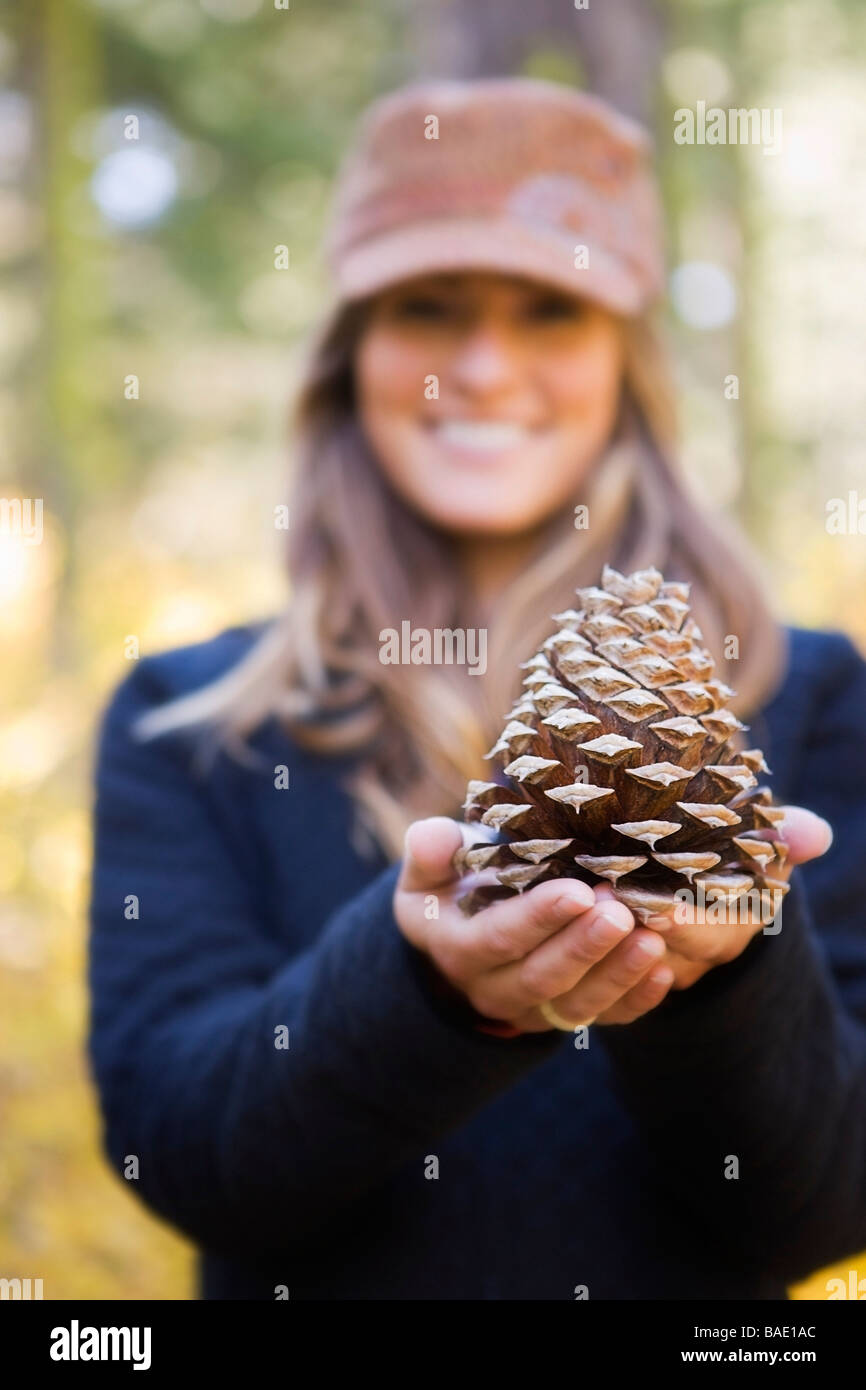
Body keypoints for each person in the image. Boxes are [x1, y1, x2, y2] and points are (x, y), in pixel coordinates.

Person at [88, 78, 866, 1300]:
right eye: (427, 306)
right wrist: (429, 994)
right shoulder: (191, 718)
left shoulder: (806, 694)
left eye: (549, 308)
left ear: (627, 355)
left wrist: (724, 984)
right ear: (352, 354)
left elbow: (820, 1207)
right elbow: (181, 1153)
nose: (484, 365)